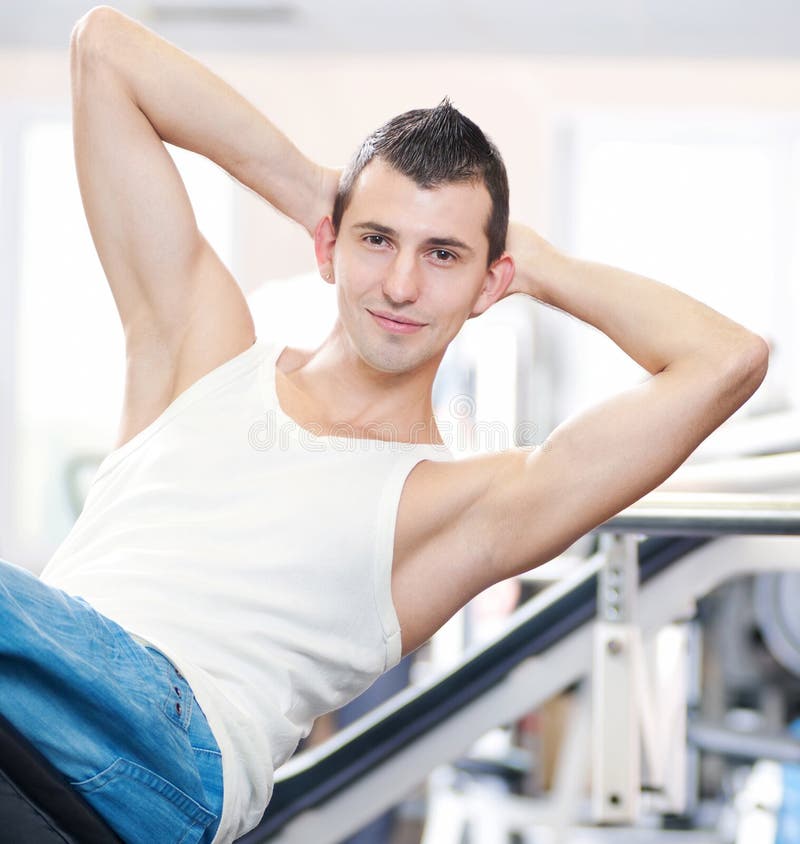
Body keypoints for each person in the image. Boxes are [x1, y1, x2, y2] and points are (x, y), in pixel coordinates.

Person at [0, 5, 769, 844]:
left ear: (489, 281)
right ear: (330, 245)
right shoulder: (201, 355)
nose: (401, 284)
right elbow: (105, 50)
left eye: (442, 255)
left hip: (169, 750)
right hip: (36, 704)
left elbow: (725, 360)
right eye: (377, 240)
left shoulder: (458, 503)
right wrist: (313, 192)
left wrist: (540, 266)